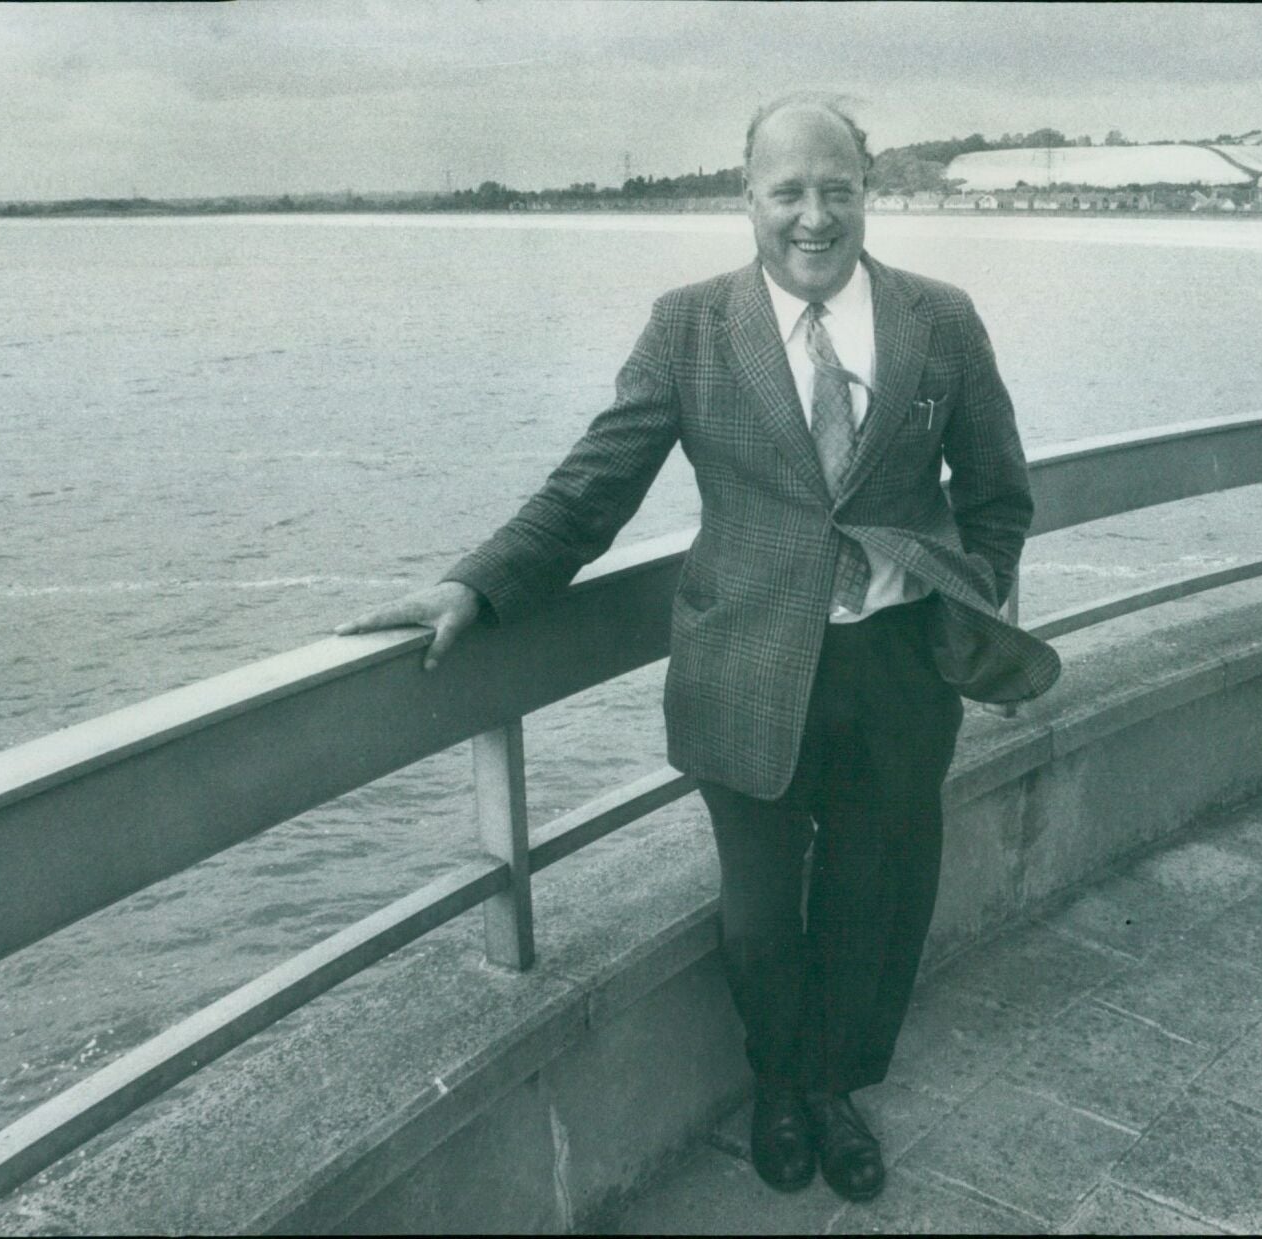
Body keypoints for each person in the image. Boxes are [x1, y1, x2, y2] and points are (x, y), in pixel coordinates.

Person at [338, 92, 1058, 1203]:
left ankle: (836, 1091)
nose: (812, 217)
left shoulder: (942, 321)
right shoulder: (688, 326)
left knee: (879, 902)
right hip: (742, 677)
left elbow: (1000, 494)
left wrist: (963, 592)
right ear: (747, 198)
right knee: (763, 918)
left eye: (836, 189)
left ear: (869, 191)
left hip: (896, 675)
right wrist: (472, 586)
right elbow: (593, 486)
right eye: (787, 192)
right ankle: (778, 1085)